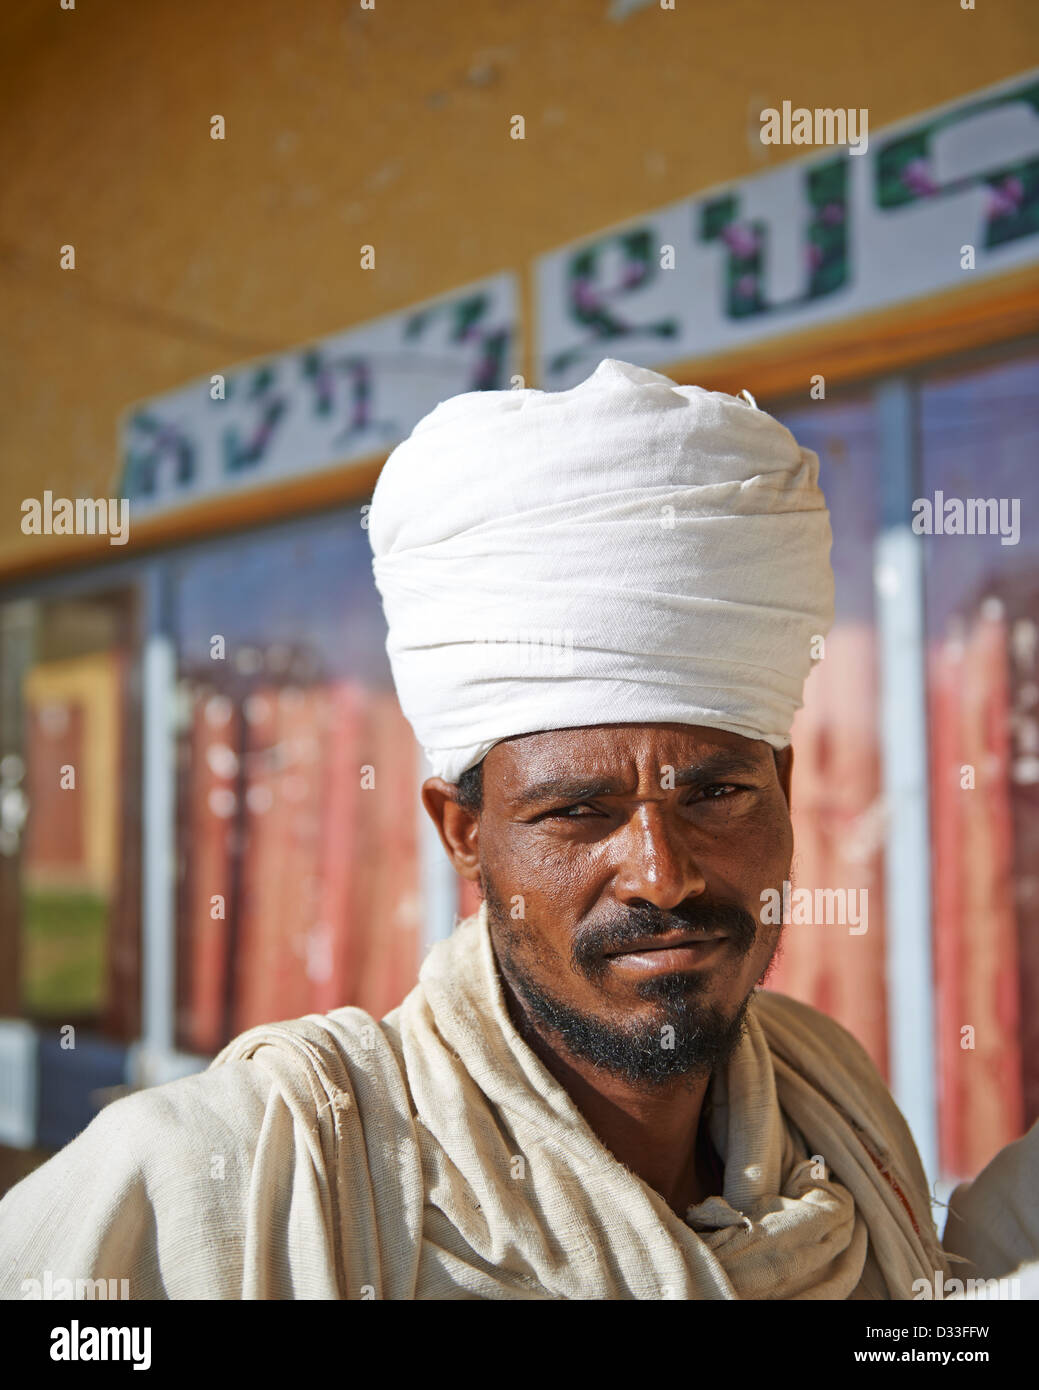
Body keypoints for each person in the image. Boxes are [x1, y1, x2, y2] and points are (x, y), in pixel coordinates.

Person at [0, 358, 1030, 1299]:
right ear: (462, 834)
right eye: (577, 812)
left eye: (714, 795)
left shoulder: (831, 1110)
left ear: (787, 792)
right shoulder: (240, 1179)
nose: (661, 875)